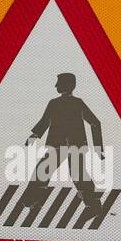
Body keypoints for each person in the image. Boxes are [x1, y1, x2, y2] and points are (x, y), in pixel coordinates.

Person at [27, 73, 104, 213]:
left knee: (76, 174)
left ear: (67, 85)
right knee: (44, 170)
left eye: (59, 83)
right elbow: (45, 120)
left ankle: (94, 206)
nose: (56, 86)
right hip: (62, 145)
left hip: (68, 146)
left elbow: (95, 122)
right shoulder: (54, 103)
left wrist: (98, 148)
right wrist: (35, 134)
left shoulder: (76, 103)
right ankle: (34, 201)